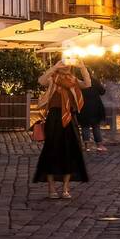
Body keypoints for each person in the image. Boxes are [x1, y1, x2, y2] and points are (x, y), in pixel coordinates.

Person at [33, 62, 90, 199]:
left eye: (68, 63)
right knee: (51, 152)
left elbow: (88, 84)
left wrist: (82, 66)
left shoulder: (73, 81)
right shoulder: (53, 79)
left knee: (70, 152)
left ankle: (65, 188)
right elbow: (41, 81)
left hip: (69, 118)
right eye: (63, 63)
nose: (66, 66)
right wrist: (54, 67)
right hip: (54, 118)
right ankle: (51, 188)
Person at [78, 69, 107, 154]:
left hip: (83, 107)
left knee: (85, 126)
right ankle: (99, 146)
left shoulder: (79, 82)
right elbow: (102, 91)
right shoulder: (94, 81)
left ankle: (87, 147)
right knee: (96, 126)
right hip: (95, 107)